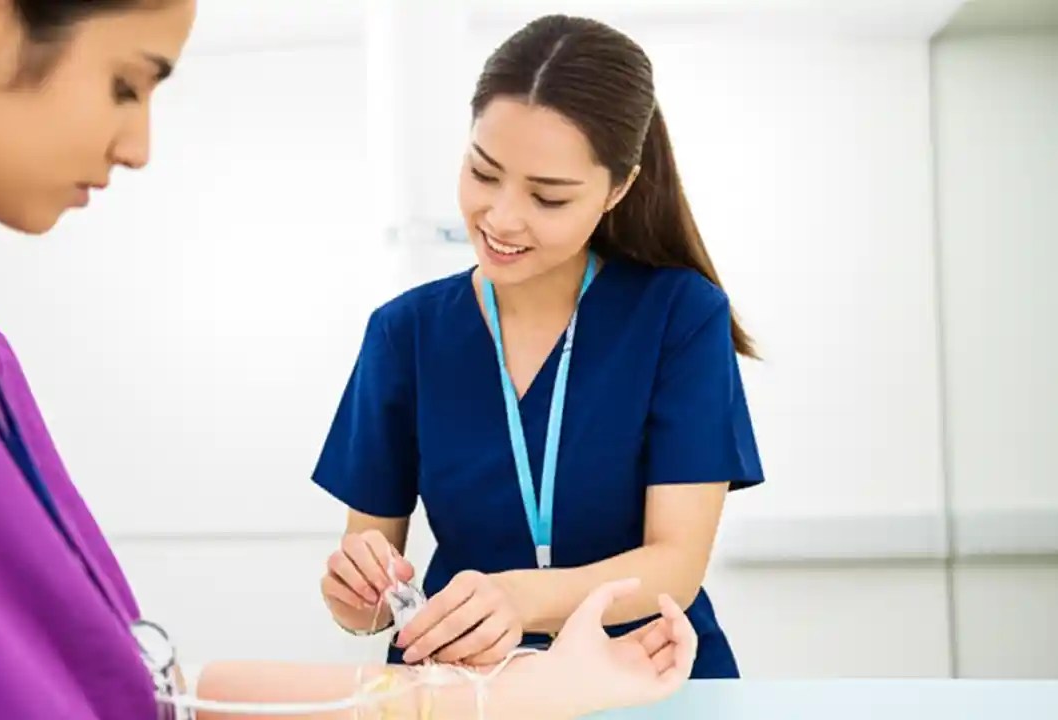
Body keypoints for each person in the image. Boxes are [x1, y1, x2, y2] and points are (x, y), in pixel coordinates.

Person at [0, 1, 699, 718]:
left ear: (616, 189)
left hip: (623, 667)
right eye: (126, 83)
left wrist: (516, 688)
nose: (140, 145)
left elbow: (133, 687)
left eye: (548, 195)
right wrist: (418, 640)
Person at [314, 14, 764, 679]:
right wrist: (357, 596)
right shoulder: (404, 334)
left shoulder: (680, 317)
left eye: (548, 197)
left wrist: (516, 598)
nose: (500, 218)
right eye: (482, 171)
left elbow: (676, 565)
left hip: (648, 683)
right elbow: (373, 592)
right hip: (470, 689)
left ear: (619, 188)